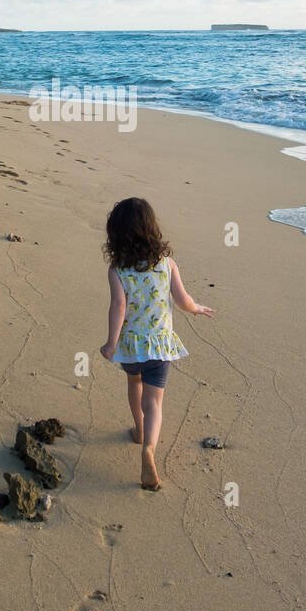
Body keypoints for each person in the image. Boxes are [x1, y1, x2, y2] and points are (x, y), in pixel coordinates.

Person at [100, 197, 213, 491]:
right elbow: (182, 300)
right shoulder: (167, 264)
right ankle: (148, 448)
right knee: (154, 402)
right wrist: (197, 308)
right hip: (160, 348)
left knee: (134, 385)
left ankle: (138, 430)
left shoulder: (117, 270)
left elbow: (118, 306)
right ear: (152, 229)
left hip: (131, 348)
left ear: (117, 234)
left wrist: (111, 344)